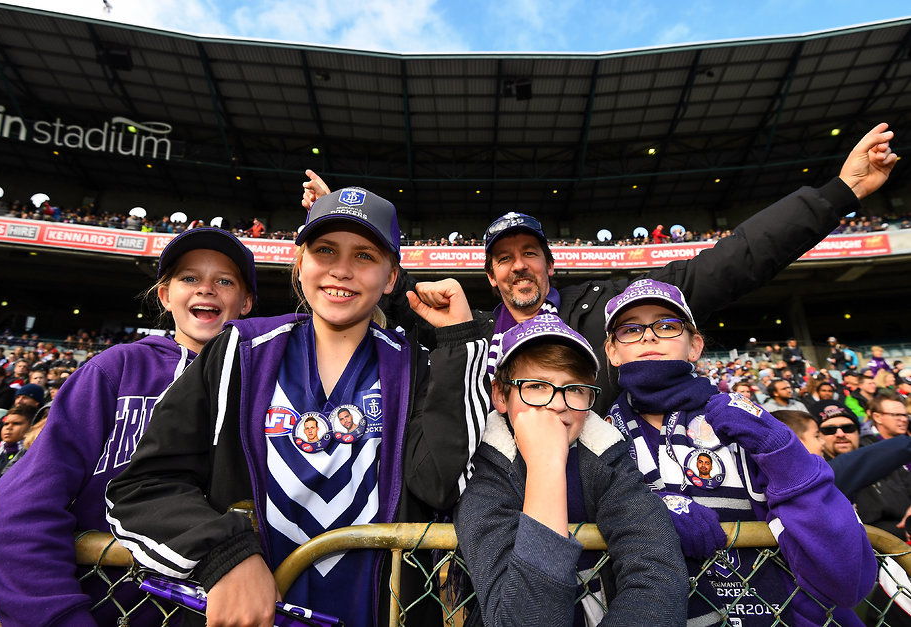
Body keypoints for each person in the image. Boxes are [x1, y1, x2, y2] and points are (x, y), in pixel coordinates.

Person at [303, 125, 898, 510]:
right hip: (490, 515)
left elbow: (730, 263)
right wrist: (343, 220)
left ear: (550, 264)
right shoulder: (469, 332)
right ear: (491, 276)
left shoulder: (603, 311)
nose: (518, 266)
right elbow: (378, 286)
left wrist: (838, 193)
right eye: (504, 259)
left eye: (529, 253)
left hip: (603, 514)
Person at [107, 189, 445, 627]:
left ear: (392, 277)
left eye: (364, 255)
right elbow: (142, 486)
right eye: (325, 250)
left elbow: (445, 487)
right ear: (299, 262)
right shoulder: (240, 350)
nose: (341, 269)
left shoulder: (417, 368)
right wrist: (224, 554)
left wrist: (461, 340)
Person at [0, 227, 256, 627]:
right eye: (189, 277)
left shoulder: (265, 385)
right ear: (165, 295)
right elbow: (21, 516)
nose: (206, 288)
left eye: (224, 281)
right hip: (106, 607)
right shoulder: (116, 370)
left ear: (246, 302)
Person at [602, 278, 875, 625]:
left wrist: (783, 453)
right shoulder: (597, 437)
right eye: (630, 329)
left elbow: (848, 580)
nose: (649, 336)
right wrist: (648, 513)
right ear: (612, 351)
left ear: (694, 346)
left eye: (667, 325)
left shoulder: (741, 422)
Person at [454, 314, 687, 626]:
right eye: (536, 386)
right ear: (500, 395)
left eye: (574, 389)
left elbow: (658, 574)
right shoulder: (481, 471)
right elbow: (525, 620)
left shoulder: (608, 457)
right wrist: (545, 467)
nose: (558, 404)